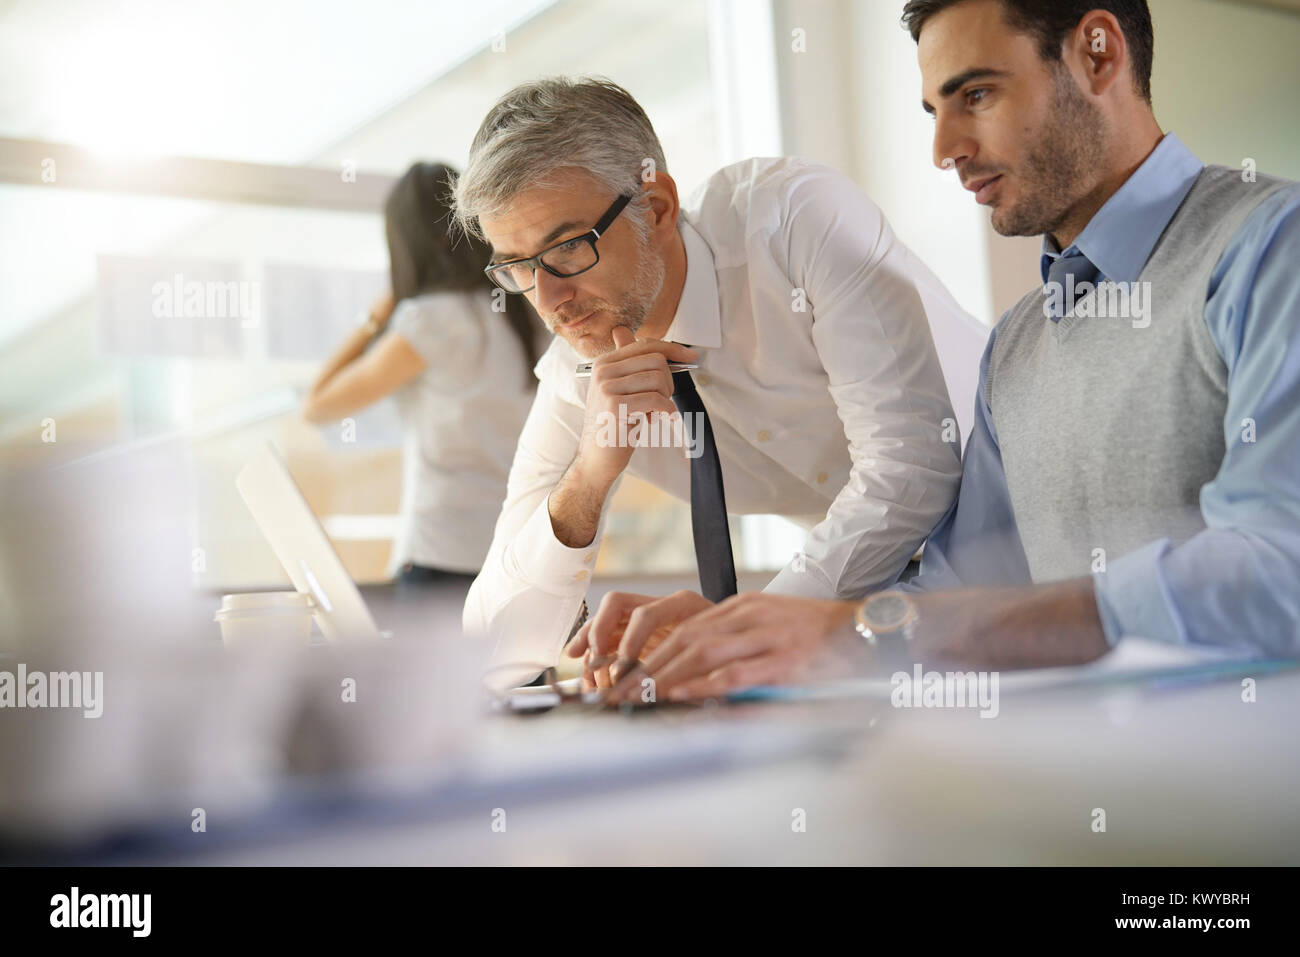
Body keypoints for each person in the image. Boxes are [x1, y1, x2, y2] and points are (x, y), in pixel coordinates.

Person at [589, 0, 1300, 704]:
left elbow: (1279, 568)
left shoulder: (1273, 250)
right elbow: (963, 591)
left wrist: (860, 632)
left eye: (976, 95)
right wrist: (762, 628)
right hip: (1079, 786)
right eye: (934, 111)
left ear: (1097, 54)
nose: (944, 149)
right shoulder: (1017, 345)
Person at [451, 77, 986, 687]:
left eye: (568, 249)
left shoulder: (792, 222)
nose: (548, 301)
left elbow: (912, 466)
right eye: (518, 267)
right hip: (881, 616)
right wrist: (589, 479)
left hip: (1029, 538)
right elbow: (493, 651)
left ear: (655, 209)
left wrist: (736, 633)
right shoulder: (579, 378)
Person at [303, 162, 541, 589]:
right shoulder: (523, 312)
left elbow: (318, 407)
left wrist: (374, 319)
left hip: (443, 551)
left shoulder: (430, 321)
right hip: (520, 550)